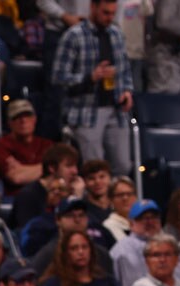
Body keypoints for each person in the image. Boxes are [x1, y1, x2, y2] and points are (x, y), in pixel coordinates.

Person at [50, 0, 133, 175]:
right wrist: (90, 77)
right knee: (95, 168)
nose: (109, 18)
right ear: (93, 8)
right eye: (105, 13)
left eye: (112, 13)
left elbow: (125, 69)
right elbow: (58, 77)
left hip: (116, 111)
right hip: (86, 112)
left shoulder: (117, 34)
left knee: (123, 166)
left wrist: (127, 90)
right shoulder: (73, 36)